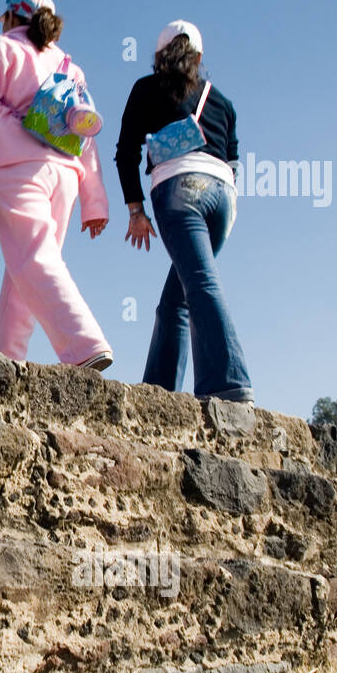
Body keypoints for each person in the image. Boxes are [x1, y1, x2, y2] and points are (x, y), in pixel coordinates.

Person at [0, 0, 113, 370]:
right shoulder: (70, 67)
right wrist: (95, 201)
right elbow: (85, 134)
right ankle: (5, 362)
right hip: (66, 176)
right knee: (23, 273)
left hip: (18, 166)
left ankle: (84, 344)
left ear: (10, 17)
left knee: (33, 260)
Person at [116, 20, 252, 403]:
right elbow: (235, 161)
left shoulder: (146, 88)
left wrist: (135, 210)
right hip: (224, 197)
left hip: (180, 190)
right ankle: (157, 392)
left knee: (201, 284)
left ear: (160, 56)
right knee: (175, 299)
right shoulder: (222, 101)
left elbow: (125, 152)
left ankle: (229, 384)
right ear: (199, 57)